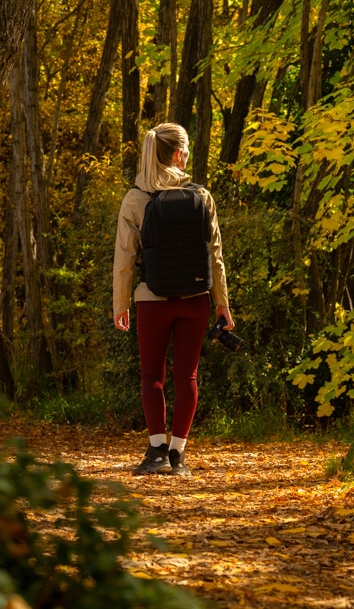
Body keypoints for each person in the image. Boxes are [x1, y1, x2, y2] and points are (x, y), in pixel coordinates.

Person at [113, 123, 234, 476]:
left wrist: (120, 304)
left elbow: (125, 258)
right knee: (187, 377)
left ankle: (156, 452)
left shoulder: (136, 198)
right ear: (179, 154)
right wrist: (223, 303)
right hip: (195, 300)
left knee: (153, 376)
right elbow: (215, 255)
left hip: (152, 299)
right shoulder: (202, 196)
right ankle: (178, 453)